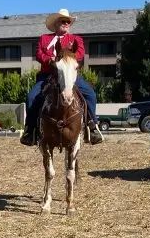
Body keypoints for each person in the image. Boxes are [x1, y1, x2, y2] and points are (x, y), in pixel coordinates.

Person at [20, 9, 103, 146]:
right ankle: (30, 130)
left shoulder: (76, 39)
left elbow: (80, 53)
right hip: (47, 75)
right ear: (56, 24)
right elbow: (39, 54)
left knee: (91, 95)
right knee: (31, 97)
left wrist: (65, 59)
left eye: (68, 22)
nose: (66, 23)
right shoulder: (44, 38)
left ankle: (92, 126)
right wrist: (51, 60)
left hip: (69, 74)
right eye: (63, 21)